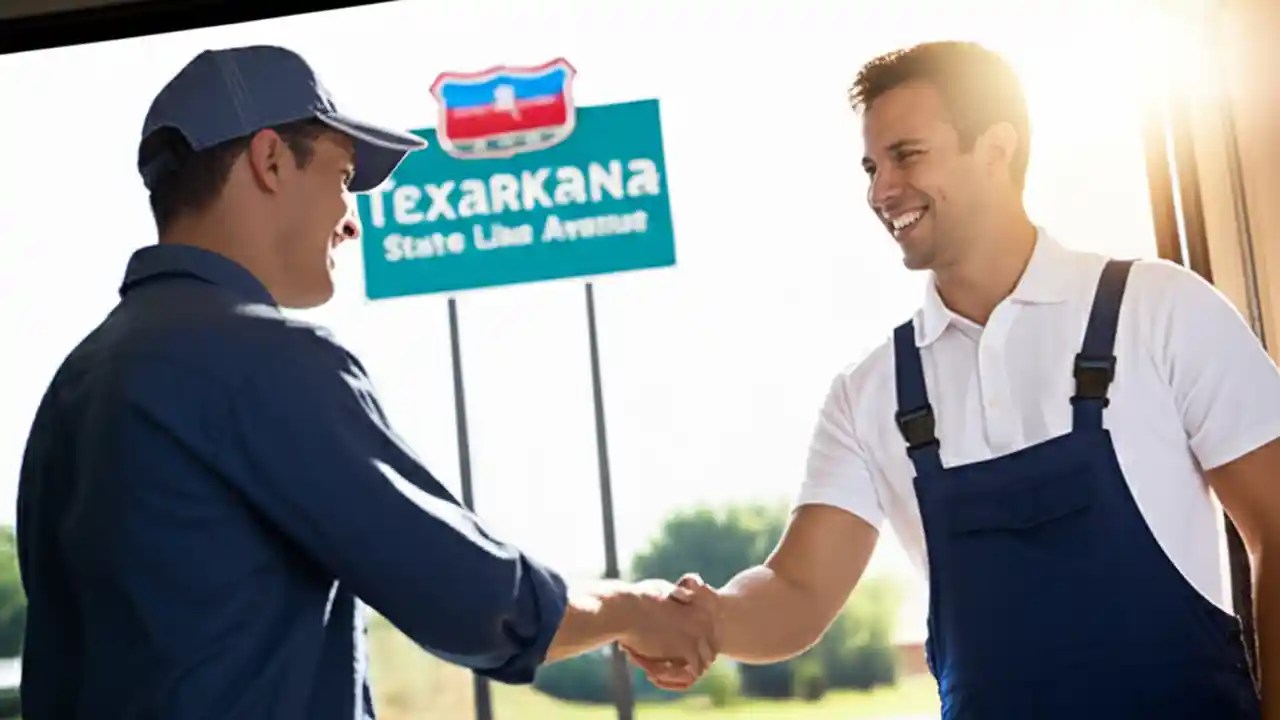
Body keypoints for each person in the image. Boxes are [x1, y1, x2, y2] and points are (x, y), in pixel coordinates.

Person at [14, 45, 716, 720]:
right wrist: (634, 612)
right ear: (269, 160)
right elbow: (471, 597)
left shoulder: (76, 384)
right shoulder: (266, 357)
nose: (352, 221)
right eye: (345, 179)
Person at [629, 41, 1280, 718]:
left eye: (907, 155)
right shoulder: (870, 392)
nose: (881, 191)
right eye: (871, 166)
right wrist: (707, 617)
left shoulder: (1161, 309)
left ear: (997, 150)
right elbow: (796, 592)